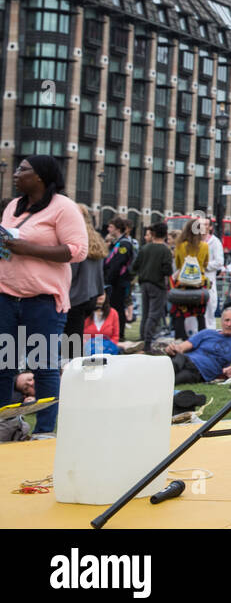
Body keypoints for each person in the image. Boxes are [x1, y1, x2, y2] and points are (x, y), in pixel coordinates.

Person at [0, 156, 90, 437]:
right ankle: (6, 424)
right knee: (4, 364)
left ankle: (46, 430)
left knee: (43, 366)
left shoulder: (64, 208)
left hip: (43, 301)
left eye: (22, 170)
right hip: (6, 297)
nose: (16, 174)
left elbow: (78, 250)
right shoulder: (14, 206)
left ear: (39, 176)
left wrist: (28, 249)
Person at [163, 306, 231, 384]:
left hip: (200, 373)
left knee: (173, 380)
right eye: (226, 320)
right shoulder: (207, 333)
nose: (229, 324)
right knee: (175, 363)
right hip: (187, 359)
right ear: (221, 321)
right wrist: (173, 349)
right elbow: (182, 347)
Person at [66, 203, 108, 348]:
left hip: (75, 295)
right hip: (91, 295)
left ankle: (69, 367)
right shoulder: (96, 239)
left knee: (70, 340)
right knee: (75, 336)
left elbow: (71, 272)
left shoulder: (76, 237)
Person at [132, 221, 173, 343]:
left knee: (145, 312)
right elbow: (167, 270)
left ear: (153, 234)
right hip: (158, 284)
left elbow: (135, 266)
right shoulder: (165, 250)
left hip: (144, 283)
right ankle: (148, 339)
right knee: (155, 313)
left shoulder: (144, 248)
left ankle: (143, 336)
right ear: (165, 234)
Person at [169, 218, 210, 338]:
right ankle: (202, 338)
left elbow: (177, 264)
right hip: (199, 283)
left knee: (179, 314)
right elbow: (205, 264)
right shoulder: (204, 246)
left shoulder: (180, 246)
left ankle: (180, 338)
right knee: (200, 314)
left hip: (183, 284)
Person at [102, 215, 136, 329]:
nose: (108, 229)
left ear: (117, 228)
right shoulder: (116, 243)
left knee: (118, 308)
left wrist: (108, 278)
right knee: (112, 307)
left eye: (111, 227)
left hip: (119, 281)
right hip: (114, 281)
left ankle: (119, 332)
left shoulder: (124, 244)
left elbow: (117, 263)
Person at [202, 217, 225, 328]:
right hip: (195, 279)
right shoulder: (195, 241)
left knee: (210, 307)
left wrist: (204, 266)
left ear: (210, 227)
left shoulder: (215, 242)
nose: (203, 227)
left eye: (206, 224)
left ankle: (210, 331)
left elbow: (219, 262)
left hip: (209, 279)